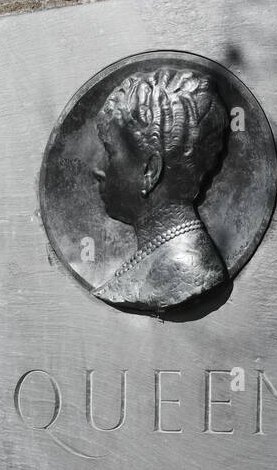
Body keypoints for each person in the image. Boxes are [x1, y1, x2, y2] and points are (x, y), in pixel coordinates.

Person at [91, 67, 229, 312]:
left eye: (109, 152)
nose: (97, 168)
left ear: (150, 172)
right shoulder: (159, 260)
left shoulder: (181, 269)